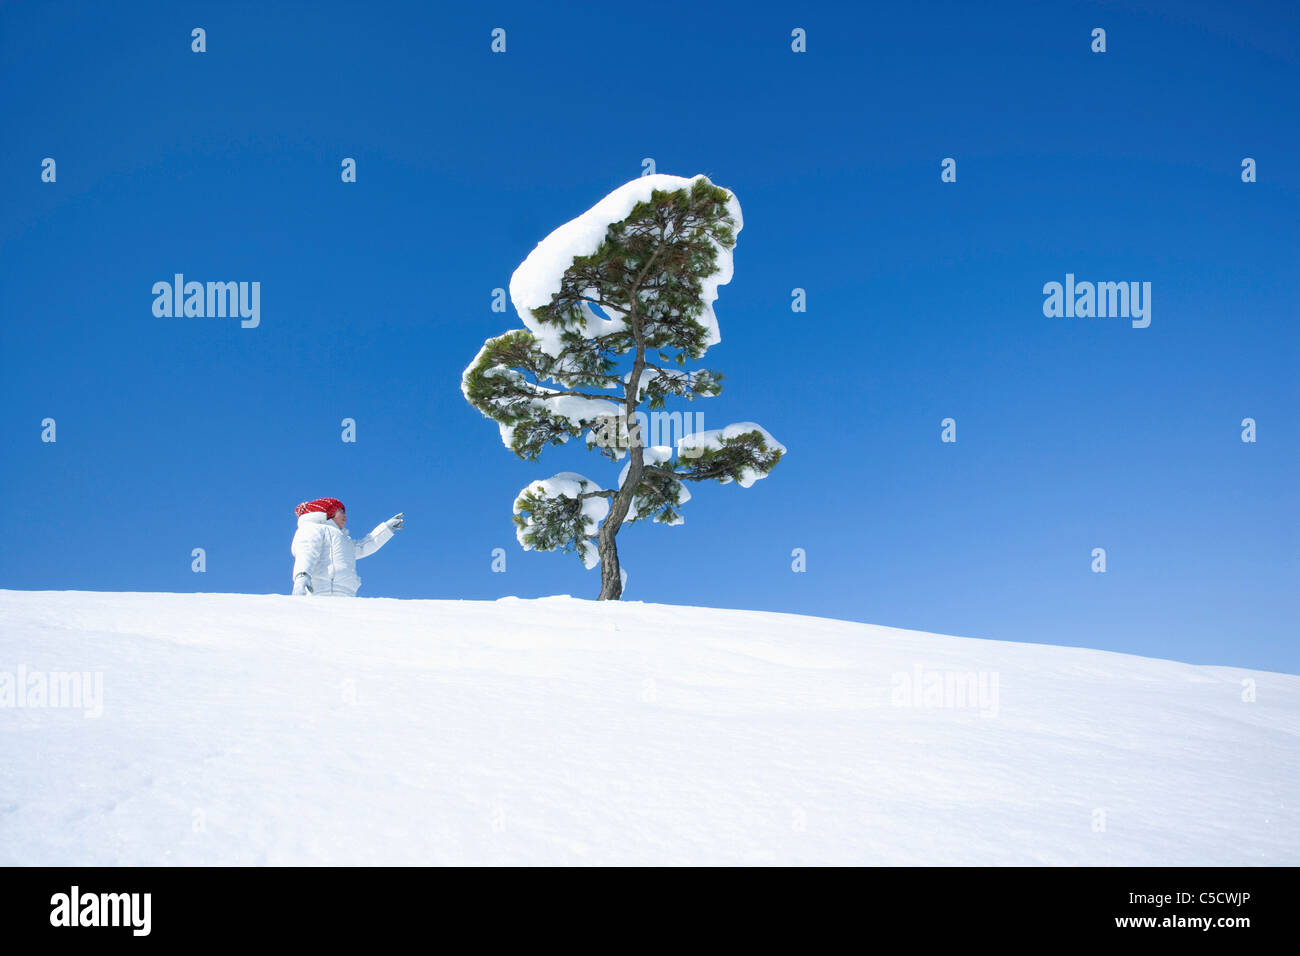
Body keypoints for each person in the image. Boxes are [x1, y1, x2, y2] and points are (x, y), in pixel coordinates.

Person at [290, 497, 403, 596]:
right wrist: (302, 575)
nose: (345, 516)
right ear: (329, 513)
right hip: (321, 590)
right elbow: (306, 551)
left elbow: (364, 546)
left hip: (346, 592)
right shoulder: (314, 528)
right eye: (341, 511)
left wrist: (387, 528)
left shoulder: (344, 539)